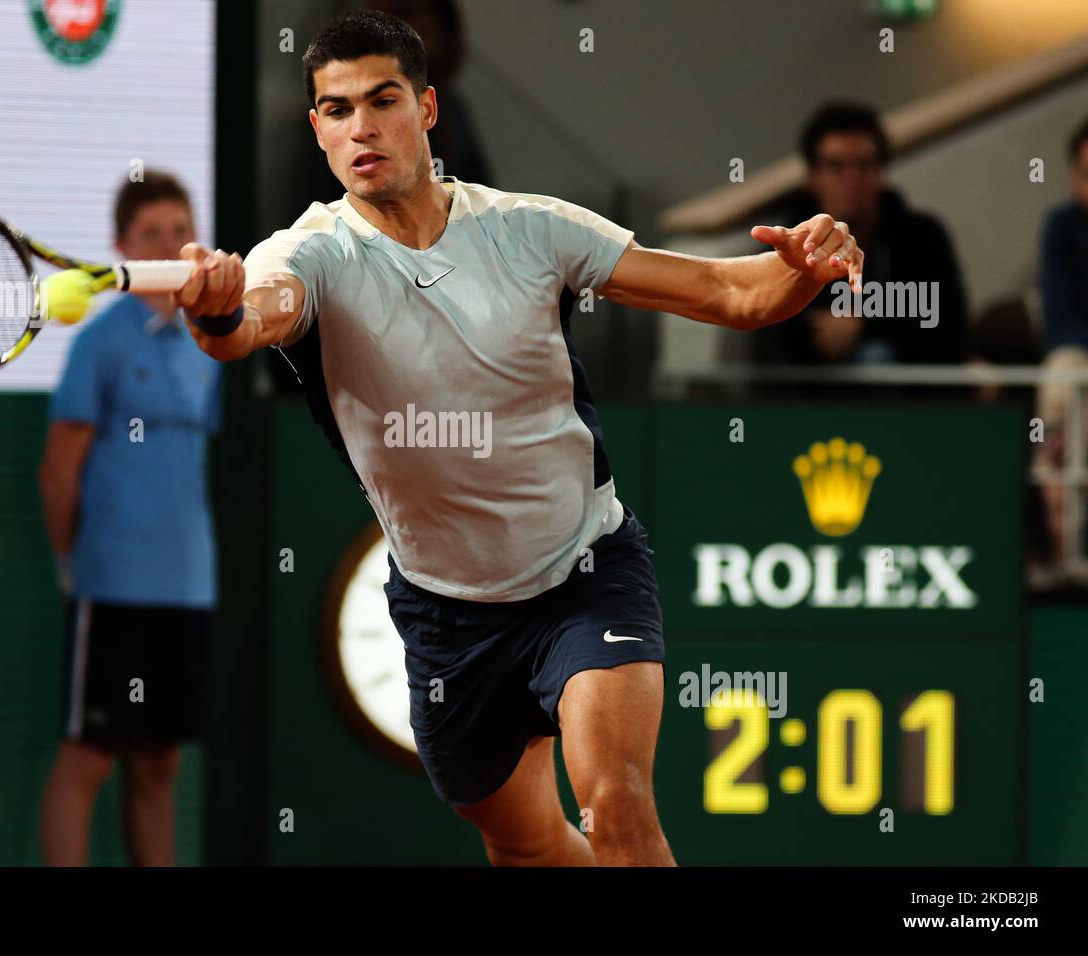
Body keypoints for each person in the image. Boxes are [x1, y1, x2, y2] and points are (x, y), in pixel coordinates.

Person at [175, 10, 862, 866]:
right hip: (445, 621)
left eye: (381, 101)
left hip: (584, 574)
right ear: (317, 129)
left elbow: (732, 292)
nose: (362, 127)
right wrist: (216, 306)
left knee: (614, 804)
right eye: (338, 109)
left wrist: (803, 266)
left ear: (426, 109)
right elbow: (248, 319)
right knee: (529, 844)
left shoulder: (530, 228)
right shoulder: (310, 257)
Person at [37, 170, 222, 866]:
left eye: (180, 230)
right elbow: (58, 471)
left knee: (160, 762)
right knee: (89, 760)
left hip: (188, 586)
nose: (169, 245)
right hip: (112, 584)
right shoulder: (99, 340)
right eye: (151, 234)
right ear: (120, 246)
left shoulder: (211, 343)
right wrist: (72, 564)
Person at [749, 102, 968, 369]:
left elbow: (948, 326)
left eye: (864, 165)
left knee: (876, 356)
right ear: (813, 176)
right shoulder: (786, 245)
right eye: (836, 166)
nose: (852, 178)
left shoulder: (921, 237)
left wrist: (864, 326)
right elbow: (770, 347)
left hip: (907, 399)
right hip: (812, 399)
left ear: (880, 171)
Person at [1034, 117, 1088, 579]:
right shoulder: (1061, 227)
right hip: (1081, 357)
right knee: (1064, 373)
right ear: (1074, 177)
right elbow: (1061, 320)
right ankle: (1063, 543)